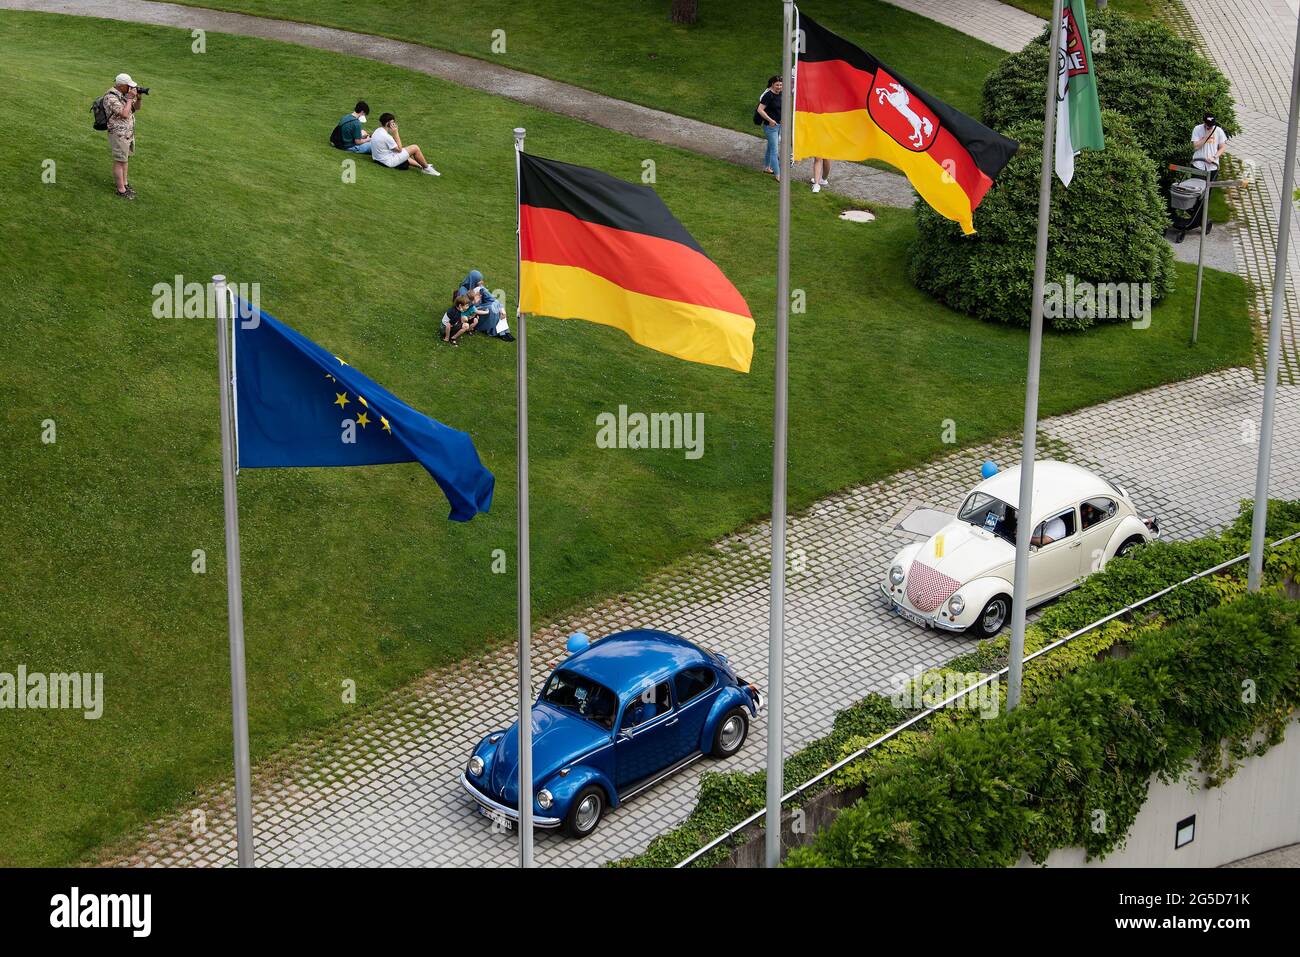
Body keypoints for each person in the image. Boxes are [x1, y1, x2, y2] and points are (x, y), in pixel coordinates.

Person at [104, 73, 141, 199]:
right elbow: (124, 114)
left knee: (125, 160)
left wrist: (139, 98)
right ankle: (120, 190)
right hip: (118, 134)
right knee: (120, 161)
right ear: (121, 86)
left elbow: (136, 109)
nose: (131, 88)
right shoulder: (110, 97)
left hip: (128, 133)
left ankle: (125, 184)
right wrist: (130, 98)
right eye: (128, 86)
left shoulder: (125, 95)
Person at [369, 113, 440, 176]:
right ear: (388, 124)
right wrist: (396, 133)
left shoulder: (377, 130)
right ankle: (427, 169)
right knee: (415, 148)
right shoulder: (387, 137)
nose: (394, 125)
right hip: (387, 162)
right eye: (393, 123)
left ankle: (421, 165)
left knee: (406, 153)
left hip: (378, 158)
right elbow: (399, 150)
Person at [456, 269, 515, 341]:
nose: (480, 282)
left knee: (495, 304)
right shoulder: (463, 290)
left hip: (480, 307)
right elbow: (464, 307)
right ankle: (497, 332)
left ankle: (503, 331)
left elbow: (492, 298)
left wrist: (502, 309)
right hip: (472, 312)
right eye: (478, 281)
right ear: (473, 280)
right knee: (491, 308)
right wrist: (474, 300)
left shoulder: (479, 287)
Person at [756, 76, 783, 179]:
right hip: (771, 127)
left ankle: (767, 167)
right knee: (774, 151)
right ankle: (778, 174)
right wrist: (770, 120)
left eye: (780, 85)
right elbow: (760, 109)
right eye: (777, 85)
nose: (779, 87)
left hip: (779, 125)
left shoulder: (780, 93)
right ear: (772, 84)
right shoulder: (768, 95)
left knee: (770, 147)